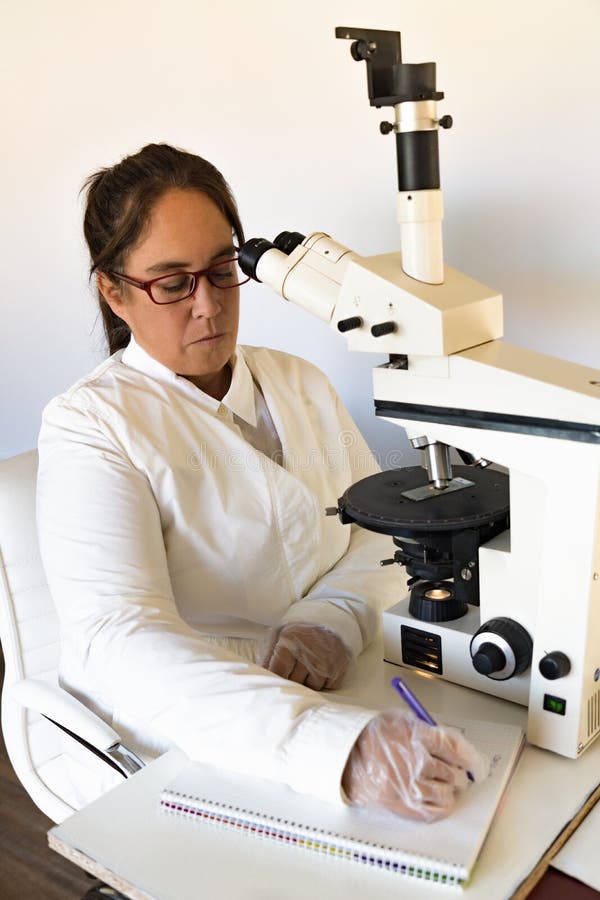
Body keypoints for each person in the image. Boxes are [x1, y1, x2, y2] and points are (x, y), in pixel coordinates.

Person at [37, 143, 485, 823]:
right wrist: (328, 747)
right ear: (113, 290)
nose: (208, 306)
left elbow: (377, 532)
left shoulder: (297, 380)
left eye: (222, 270)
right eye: (171, 282)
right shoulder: (90, 424)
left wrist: (332, 615)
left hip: (346, 684)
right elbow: (119, 637)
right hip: (193, 732)